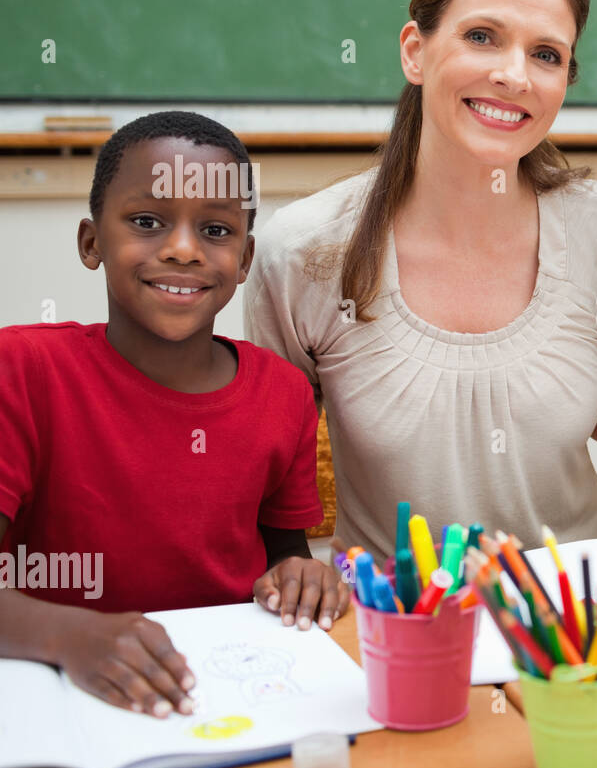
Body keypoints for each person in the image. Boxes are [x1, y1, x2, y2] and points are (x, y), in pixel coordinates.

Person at [245, 0, 597, 557]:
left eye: (546, 54)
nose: (514, 75)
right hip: (396, 625)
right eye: (481, 37)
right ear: (415, 51)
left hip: (578, 618)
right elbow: (269, 469)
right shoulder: (301, 252)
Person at [0, 111, 344, 718]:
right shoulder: (23, 371)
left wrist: (302, 577)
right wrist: (70, 636)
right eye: (147, 221)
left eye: (215, 230)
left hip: (227, 691)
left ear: (244, 259)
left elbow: (283, 555)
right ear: (91, 242)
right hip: (63, 693)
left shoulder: (284, 393)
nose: (183, 249)